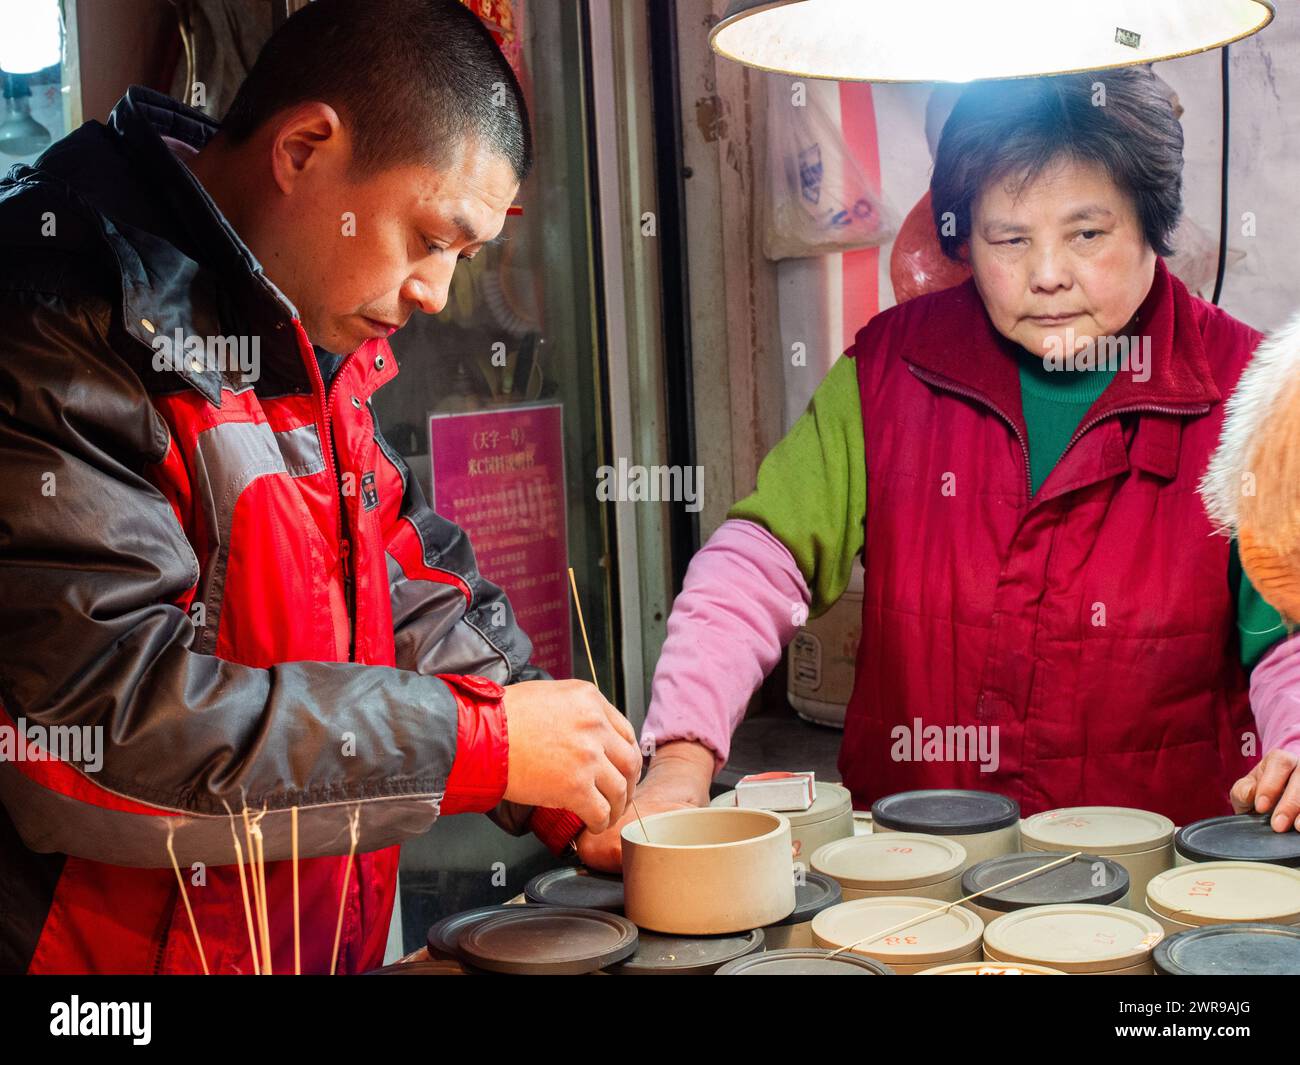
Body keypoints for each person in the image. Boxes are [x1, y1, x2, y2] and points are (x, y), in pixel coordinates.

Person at [0, 0, 639, 974]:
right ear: (304, 148)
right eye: (431, 237)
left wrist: (554, 768)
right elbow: (92, 732)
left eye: (463, 259)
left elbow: (404, 581)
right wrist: (486, 744)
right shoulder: (58, 314)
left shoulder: (302, 333)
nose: (438, 293)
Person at [578, 65, 1300, 872]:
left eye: (1087, 234)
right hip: (911, 885)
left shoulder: (1246, 390)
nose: (1047, 273)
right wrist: (682, 751)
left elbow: (1286, 639)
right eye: (1009, 237)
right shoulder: (892, 369)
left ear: (1152, 223)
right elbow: (755, 565)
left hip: (1152, 895)